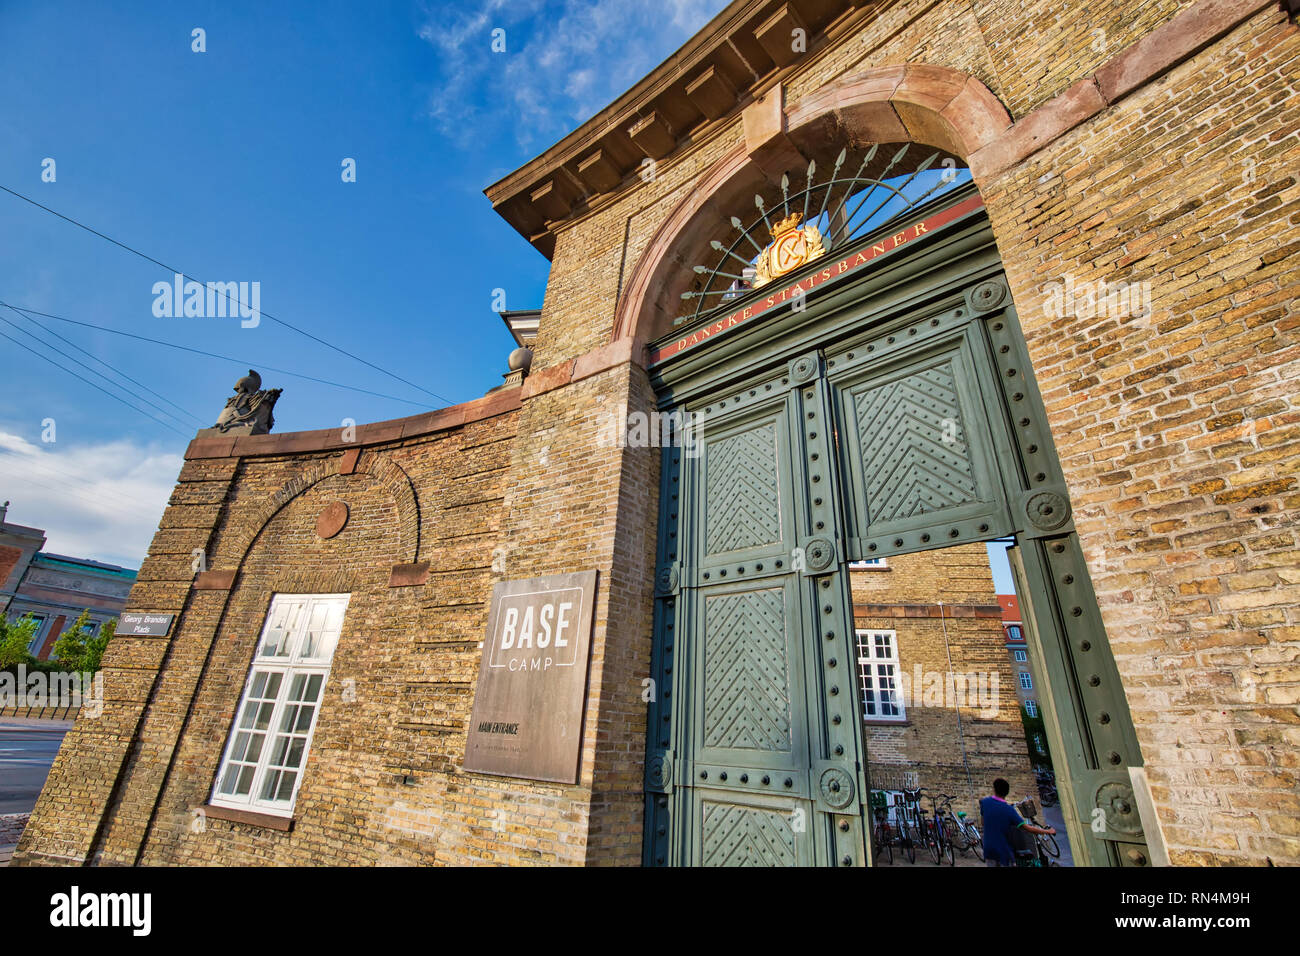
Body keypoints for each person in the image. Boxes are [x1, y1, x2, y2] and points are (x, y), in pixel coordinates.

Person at [979, 777, 1056, 866]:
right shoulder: (1009, 810)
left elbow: (983, 823)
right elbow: (1028, 828)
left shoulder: (985, 803)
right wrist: (1048, 831)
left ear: (994, 789)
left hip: (989, 849)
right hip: (1003, 852)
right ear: (1007, 792)